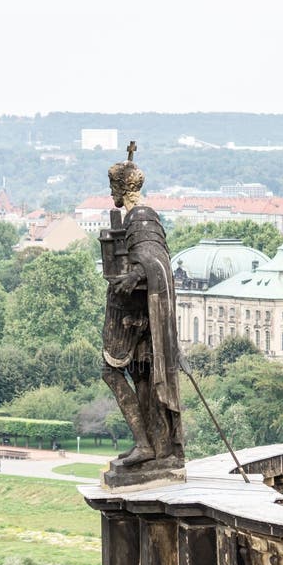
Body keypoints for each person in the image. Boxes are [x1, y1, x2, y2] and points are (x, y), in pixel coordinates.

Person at [101, 158, 183, 469]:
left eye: (113, 188)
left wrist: (135, 275)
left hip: (136, 318)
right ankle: (155, 445)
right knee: (143, 378)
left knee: (111, 371)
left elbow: (155, 260)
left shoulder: (141, 219)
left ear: (121, 188)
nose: (111, 195)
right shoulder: (137, 218)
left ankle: (146, 444)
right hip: (139, 316)